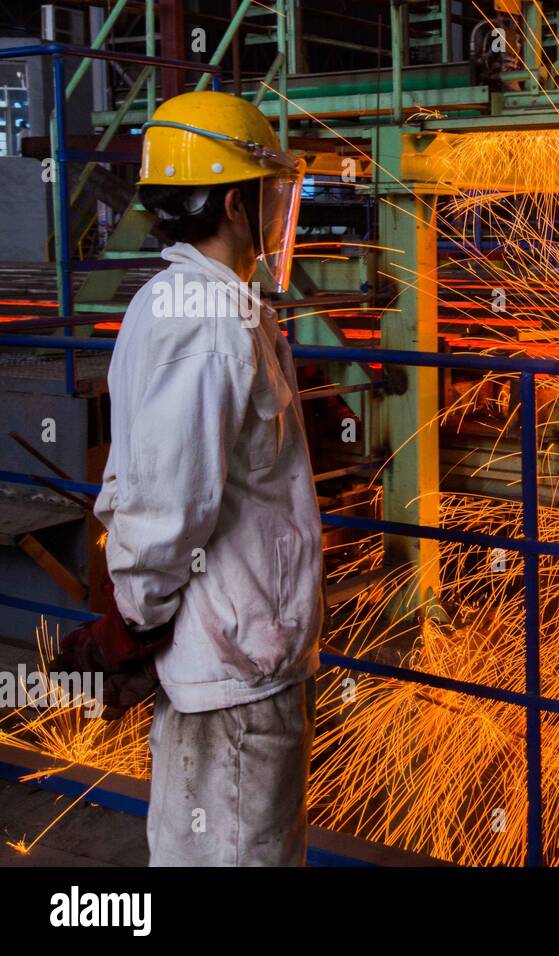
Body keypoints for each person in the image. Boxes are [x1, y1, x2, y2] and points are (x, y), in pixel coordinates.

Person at [89, 90, 321, 865]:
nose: (276, 210)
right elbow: (167, 507)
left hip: (240, 655)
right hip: (232, 670)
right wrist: (138, 620)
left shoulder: (211, 304)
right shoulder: (204, 319)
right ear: (233, 200)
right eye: (267, 193)